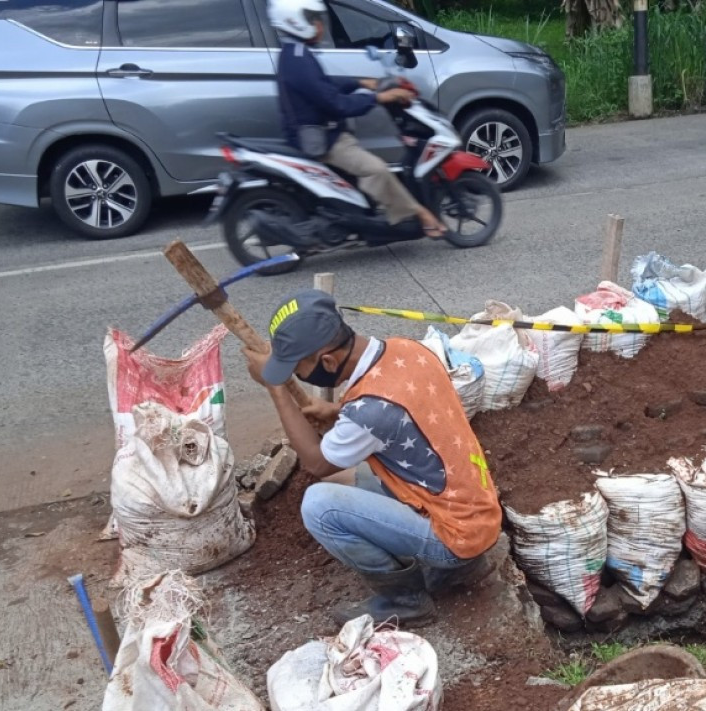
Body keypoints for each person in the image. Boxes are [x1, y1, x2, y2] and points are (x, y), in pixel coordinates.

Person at [243, 289, 503, 627]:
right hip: (474, 510)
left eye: (295, 368)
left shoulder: (371, 412)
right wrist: (338, 412)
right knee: (357, 478)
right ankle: (460, 568)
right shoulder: (407, 350)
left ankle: (405, 601)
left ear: (328, 362)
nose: (295, 374)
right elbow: (402, 414)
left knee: (320, 506)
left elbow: (317, 463)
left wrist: (276, 388)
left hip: (456, 533)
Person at [267, 0, 450, 237]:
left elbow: (323, 86)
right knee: (377, 169)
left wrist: (361, 82)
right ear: (295, 21)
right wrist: (380, 97)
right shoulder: (298, 59)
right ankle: (419, 214)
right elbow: (335, 103)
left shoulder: (295, 54)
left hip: (323, 132)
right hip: (324, 138)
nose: (320, 25)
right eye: (314, 19)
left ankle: (368, 209)